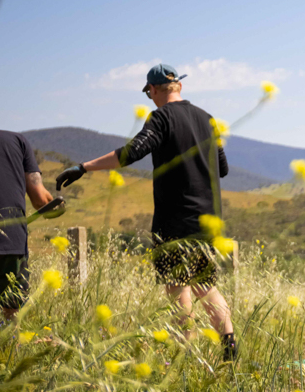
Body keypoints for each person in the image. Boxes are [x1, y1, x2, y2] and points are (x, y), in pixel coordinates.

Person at [56, 65, 237, 359]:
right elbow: (224, 169)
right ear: (179, 86)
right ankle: (230, 350)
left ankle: (181, 359)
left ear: (152, 91)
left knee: (178, 292)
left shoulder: (161, 117)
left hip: (174, 221)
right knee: (206, 286)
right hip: (207, 221)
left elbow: (132, 152)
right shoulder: (207, 119)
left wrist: (83, 167)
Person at [0, 101, 56, 320]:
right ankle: (10, 351)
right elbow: (40, 200)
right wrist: (56, 206)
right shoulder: (17, 140)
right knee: (12, 314)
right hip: (10, 237)